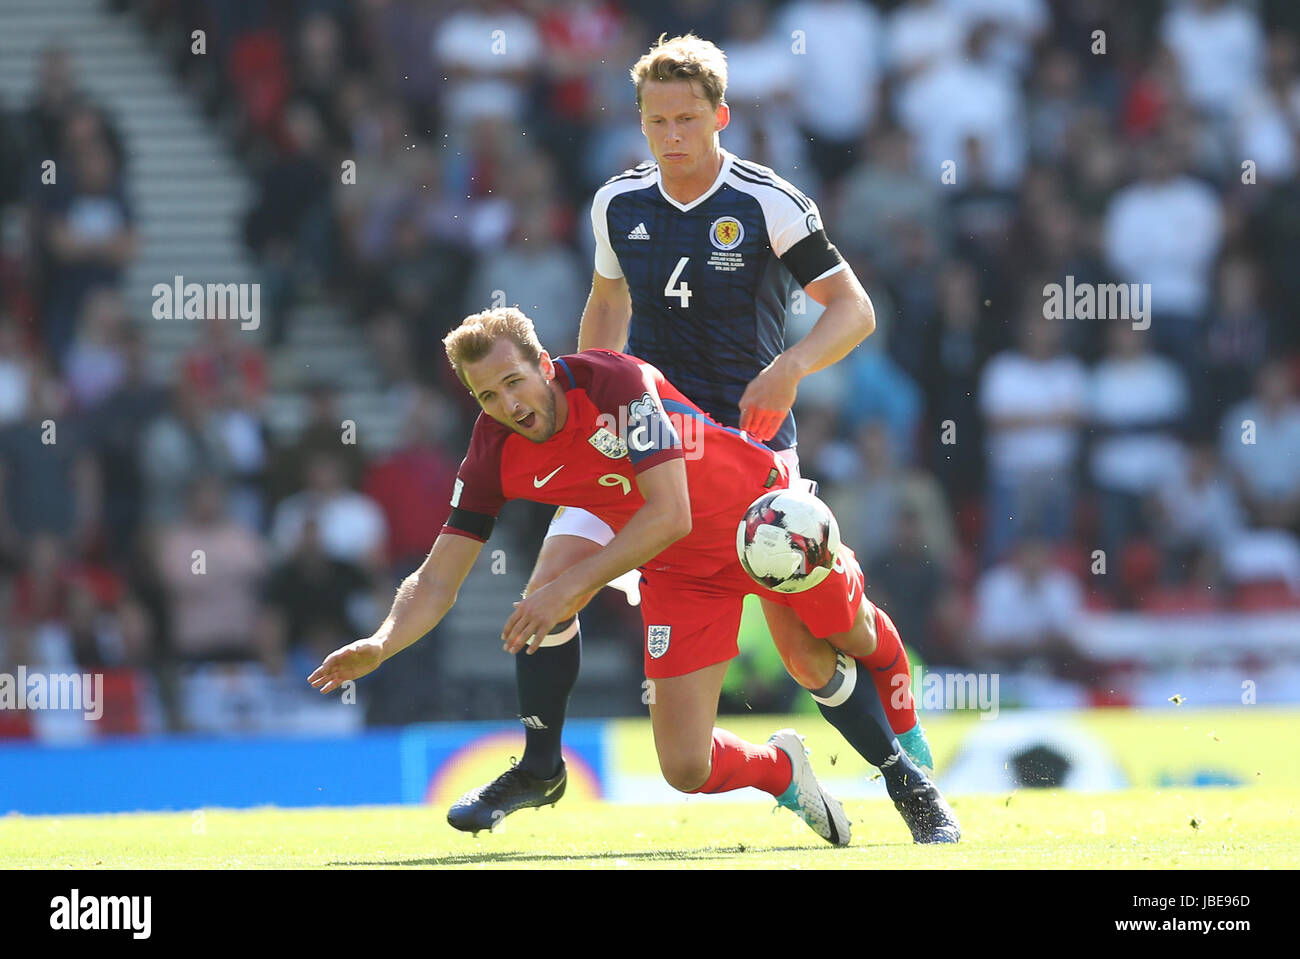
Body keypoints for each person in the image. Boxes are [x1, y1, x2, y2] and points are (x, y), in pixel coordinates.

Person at [453, 33, 936, 828]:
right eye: (656, 121)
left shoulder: (767, 201)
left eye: (686, 119)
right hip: (641, 446)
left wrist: (790, 369)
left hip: (747, 456)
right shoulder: (616, 204)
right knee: (548, 592)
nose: (671, 136)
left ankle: (899, 742)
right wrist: (587, 402)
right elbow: (607, 307)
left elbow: (855, 309)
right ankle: (541, 766)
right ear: (639, 121)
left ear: (721, 116)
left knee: (811, 651)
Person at [309, 309, 960, 845]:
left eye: (513, 381)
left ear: (544, 364)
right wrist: (383, 641)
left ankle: (913, 778)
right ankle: (781, 770)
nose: (507, 403)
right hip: (682, 571)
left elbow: (671, 511)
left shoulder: (616, 384)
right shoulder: (491, 451)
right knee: (684, 765)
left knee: (831, 642)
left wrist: (567, 588)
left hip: (761, 520)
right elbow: (437, 577)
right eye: (486, 395)